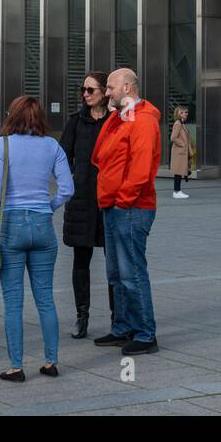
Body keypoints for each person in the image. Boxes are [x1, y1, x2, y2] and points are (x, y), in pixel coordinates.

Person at [0, 96, 74, 383]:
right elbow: (67, 188)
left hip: (11, 224)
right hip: (42, 225)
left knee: (13, 301)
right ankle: (51, 362)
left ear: (13, 115)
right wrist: (49, 205)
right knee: (45, 298)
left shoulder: (3, 145)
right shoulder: (52, 145)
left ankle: (16, 366)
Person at [91, 68, 161, 356]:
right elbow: (98, 155)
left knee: (131, 272)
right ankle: (123, 328)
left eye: (110, 88)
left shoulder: (143, 121)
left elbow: (141, 170)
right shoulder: (123, 118)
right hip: (115, 205)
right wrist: (112, 115)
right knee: (117, 273)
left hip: (130, 207)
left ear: (128, 88)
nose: (106, 93)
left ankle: (145, 333)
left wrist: (123, 200)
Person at [60, 71, 113, 340]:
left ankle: (119, 318)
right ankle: (82, 316)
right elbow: (63, 155)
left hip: (109, 200)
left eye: (91, 90)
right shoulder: (76, 122)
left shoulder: (115, 121)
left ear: (105, 91)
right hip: (81, 200)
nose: (85, 94)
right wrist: (74, 179)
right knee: (81, 261)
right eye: (83, 89)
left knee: (113, 261)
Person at [168, 106, 194, 199]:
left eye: (187, 112)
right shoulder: (178, 124)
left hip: (181, 152)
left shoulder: (182, 124)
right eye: (184, 112)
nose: (186, 114)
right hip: (179, 152)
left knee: (179, 172)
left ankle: (177, 191)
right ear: (180, 114)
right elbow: (173, 137)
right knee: (178, 172)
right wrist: (183, 144)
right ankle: (176, 191)